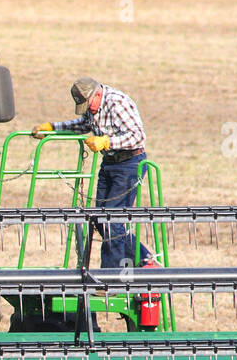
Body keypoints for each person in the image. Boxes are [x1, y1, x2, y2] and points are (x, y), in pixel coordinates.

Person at [33, 77, 155, 270]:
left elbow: (138, 136)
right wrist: (52, 128)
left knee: (111, 221)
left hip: (130, 164)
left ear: (97, 94)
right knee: (100, 219)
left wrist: (107, 142)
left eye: (88, 105)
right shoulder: (92, 108)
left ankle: (111, 279)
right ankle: (146, 260)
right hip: (110, 164)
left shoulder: (118, 103)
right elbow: (82, 126)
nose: (88, 110)